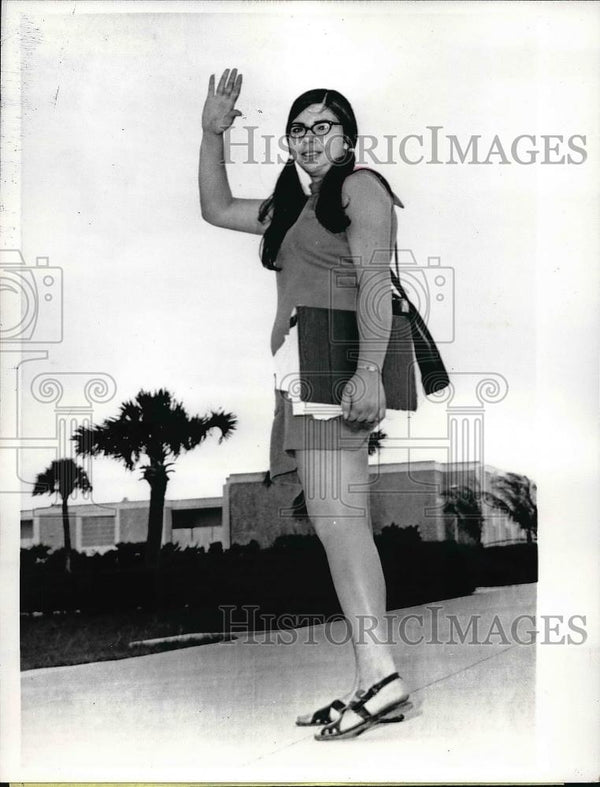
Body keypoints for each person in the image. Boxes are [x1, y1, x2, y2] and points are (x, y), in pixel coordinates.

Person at [199, 68, 414, 741]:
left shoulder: (360, 187)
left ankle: (381, 676)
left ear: (348, 137)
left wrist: (370, 372)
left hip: (336, 362)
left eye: (324, 126)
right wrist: (211, 134)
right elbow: (215, 208)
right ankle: (372, 677)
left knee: (341, 521)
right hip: (300, 371)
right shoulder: (295, 204)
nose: (310, 138)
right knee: (334, 522)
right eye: (299, 129)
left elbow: (374, 282)